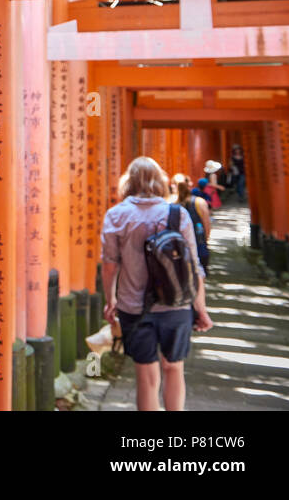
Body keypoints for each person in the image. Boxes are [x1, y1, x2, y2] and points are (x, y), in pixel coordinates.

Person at [102, 156, 212, 411]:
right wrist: (201, 309)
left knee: (146, 374)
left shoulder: (116, 215)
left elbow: (109, 265)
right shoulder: (177, 214)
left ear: (128, 183)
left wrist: (111, 300)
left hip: (133, 306)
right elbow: (194, 267)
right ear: (160, 181)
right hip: (176, 305)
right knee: (174, 367)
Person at [172, 173, 211, 275]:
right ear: (189, 185)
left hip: (175, 249)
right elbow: (207, 226)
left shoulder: (168, 204)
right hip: (197, 246)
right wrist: (205, 242)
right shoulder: (199, 202)